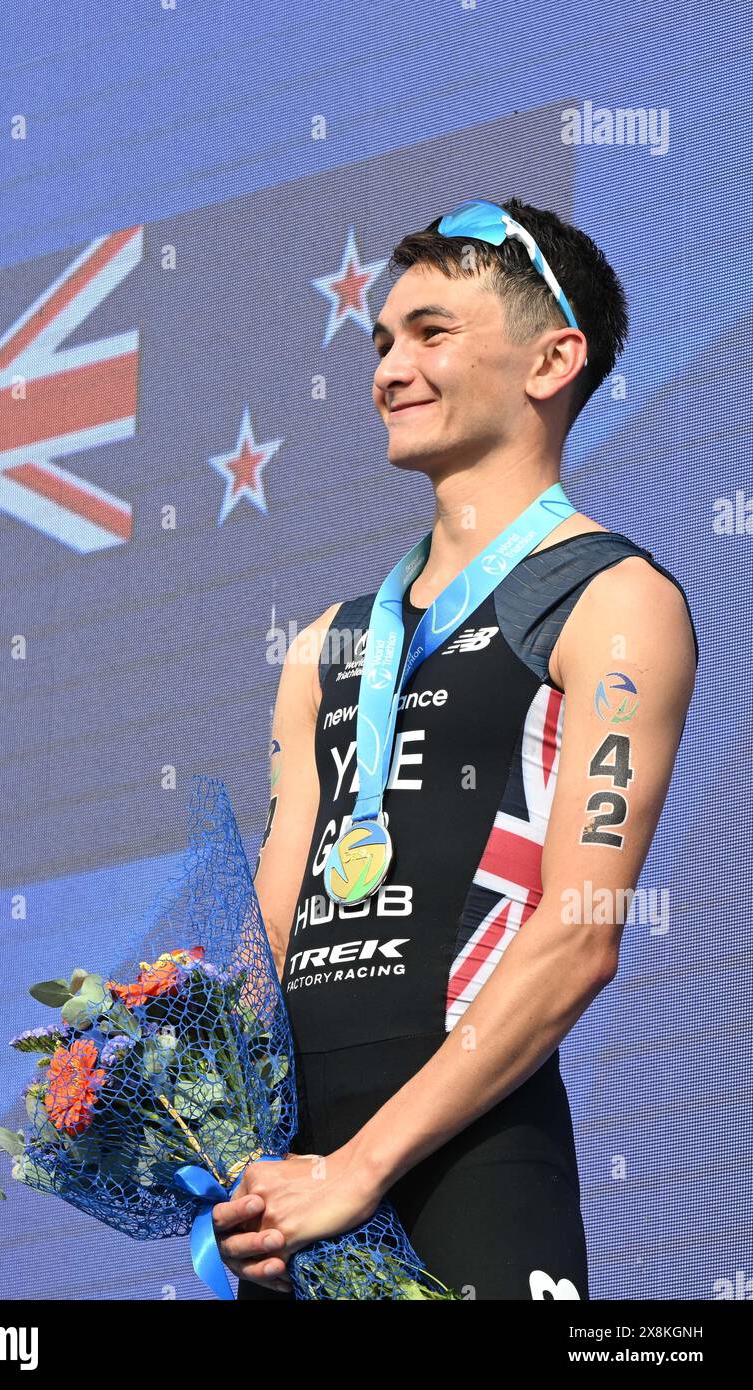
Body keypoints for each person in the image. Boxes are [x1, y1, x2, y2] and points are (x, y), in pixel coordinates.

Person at [213, 196, 699, 1300]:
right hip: (285, 1199)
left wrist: (359, 1169)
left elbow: (578, 941)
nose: (389, 366)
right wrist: (225, 1152)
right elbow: (267, 936)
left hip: (471, 1172)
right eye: (381, 340)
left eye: (431, 332)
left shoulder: (610, 600)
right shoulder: (324, 646)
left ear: (551, 359)